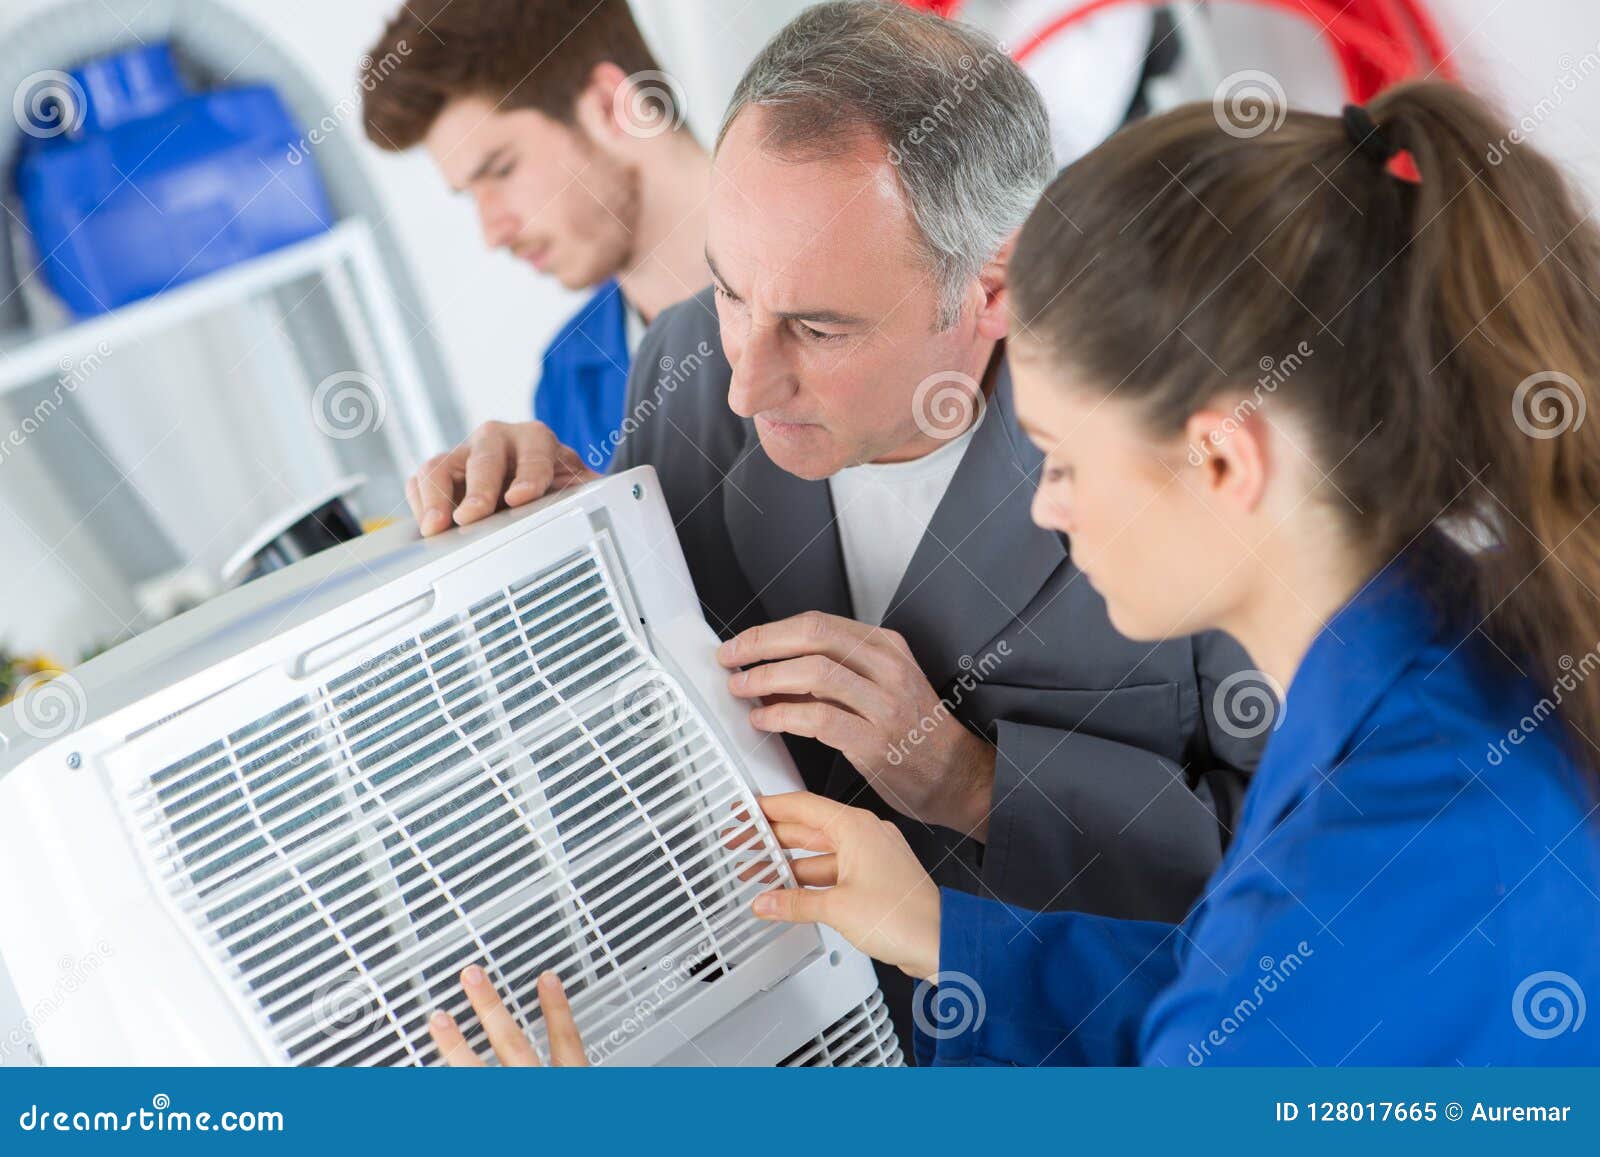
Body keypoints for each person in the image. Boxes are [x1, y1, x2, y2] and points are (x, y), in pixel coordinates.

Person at [411, 0, 1263, 1055]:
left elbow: (1301, 880)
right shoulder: (686, 371)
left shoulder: (1183, 446)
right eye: (732, 293)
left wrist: (976, 782)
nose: (747, 385)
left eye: (817, 328)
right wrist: (558, 547)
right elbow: (636, 744)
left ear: (991, 287)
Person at [738, 83, 1600, 1064]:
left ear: (1223, 461)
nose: (1046, 505)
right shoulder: (1462, 640)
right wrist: (945, 934)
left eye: (1061, 459)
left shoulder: (1372, 854)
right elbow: (1235, 990)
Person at [362, 0, 711, 469]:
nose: (493, 232)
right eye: (470, 195)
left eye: (502, 170)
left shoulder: (813, 262)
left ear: (609, 108)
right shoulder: (567, 382)